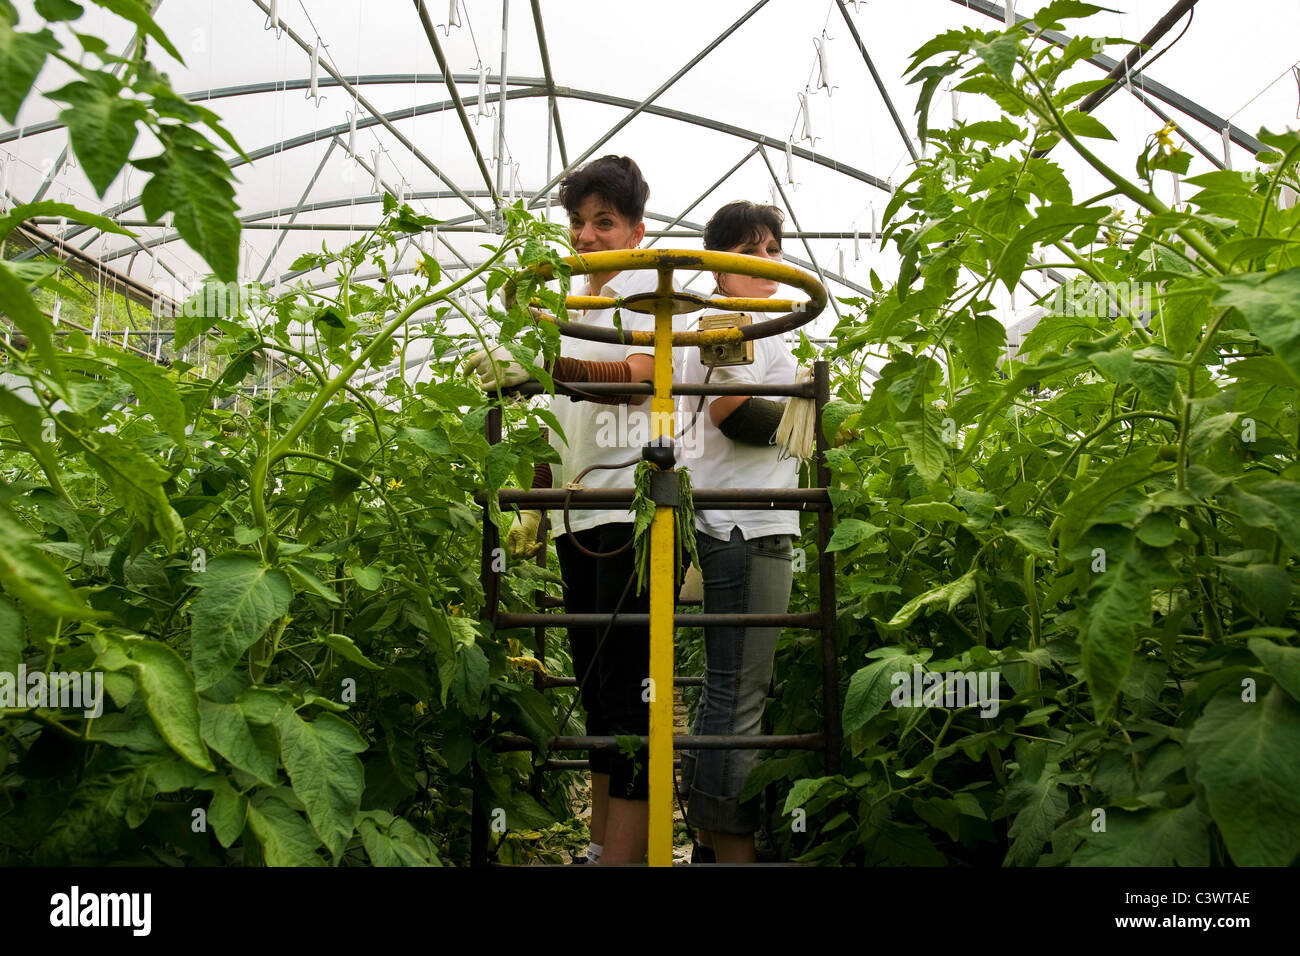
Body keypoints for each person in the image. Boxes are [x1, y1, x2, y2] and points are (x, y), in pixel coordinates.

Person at [467, 155, 669, 865]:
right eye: (578, 222)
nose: (586, 235)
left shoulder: (651, 287)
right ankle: (598, 845)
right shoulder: (568, 302)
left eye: (604, 222)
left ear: (637, 231)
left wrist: (549, 360)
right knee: (596, 689)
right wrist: (540, 501)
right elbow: (559, 420)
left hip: (635, 513)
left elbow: (638, 381)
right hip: (582, 514)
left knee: (628, 697)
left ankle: (629, 856)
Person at [677, 200, 802, 864]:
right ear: (719, 264)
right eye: (751, 254)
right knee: (739, 692)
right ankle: (733, 851)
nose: (767, 264)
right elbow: (731, 412)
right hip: (744, 523)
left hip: (745, 519)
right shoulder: (728, 319)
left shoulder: (755, 322)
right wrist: (815, 417)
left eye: (774, 251)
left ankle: (707, 841)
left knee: (727, 685)